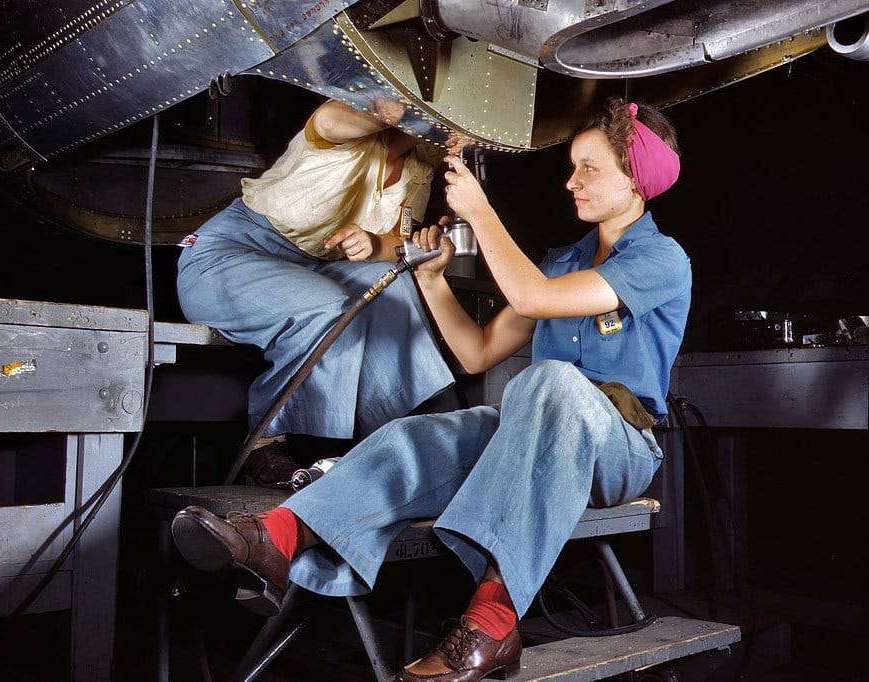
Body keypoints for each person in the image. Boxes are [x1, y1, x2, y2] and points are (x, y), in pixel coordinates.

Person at [171, 98, 691, 681]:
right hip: (536, 433)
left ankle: (492, 623)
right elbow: (476, 352)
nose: (571, 182)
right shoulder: (562, 259)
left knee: (551, 381)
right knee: (416, 437)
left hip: (617, 450)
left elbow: (533, 300)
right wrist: (432, 279)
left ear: (637, 180)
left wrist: (482, 213)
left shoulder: (662, 260)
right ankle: (276, 540)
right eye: (571, 166)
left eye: (589, 169)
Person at [175, 99, 457, 481]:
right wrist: (392, 112)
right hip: (230, 254)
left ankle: (401, 443)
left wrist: (374, 244)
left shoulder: (422, 163)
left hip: (315, 267)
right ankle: (266, 445)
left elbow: (400, 239)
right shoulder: (344, 124)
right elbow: (328, 122)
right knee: (326, 307)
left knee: (395, 287)